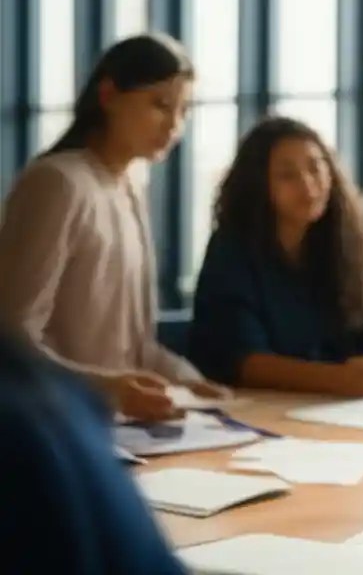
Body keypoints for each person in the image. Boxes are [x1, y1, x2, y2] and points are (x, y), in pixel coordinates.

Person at [0, 34, 228, 422]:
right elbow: (12, 338)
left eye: (184, 110)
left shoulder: (128, 190)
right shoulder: (58, 182)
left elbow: (136, 347)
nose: (174, 125)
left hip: (119, 427)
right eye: (160, 105)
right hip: (52, 428)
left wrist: (189, 381)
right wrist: (107, 389)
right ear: (108, 95)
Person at [189, 118, 363, 396]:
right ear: (259, 185)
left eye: (315, 167)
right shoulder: (232, 250)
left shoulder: (335, 244)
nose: (308, 185)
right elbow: (244, 362)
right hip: (255, 409)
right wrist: (337, 379)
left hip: (324, 407)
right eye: (287, 175)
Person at [0, 324, 186, 574]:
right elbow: (22, 327)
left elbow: (145, 344)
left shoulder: (32, 410)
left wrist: (188, 381)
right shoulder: (36, 407)